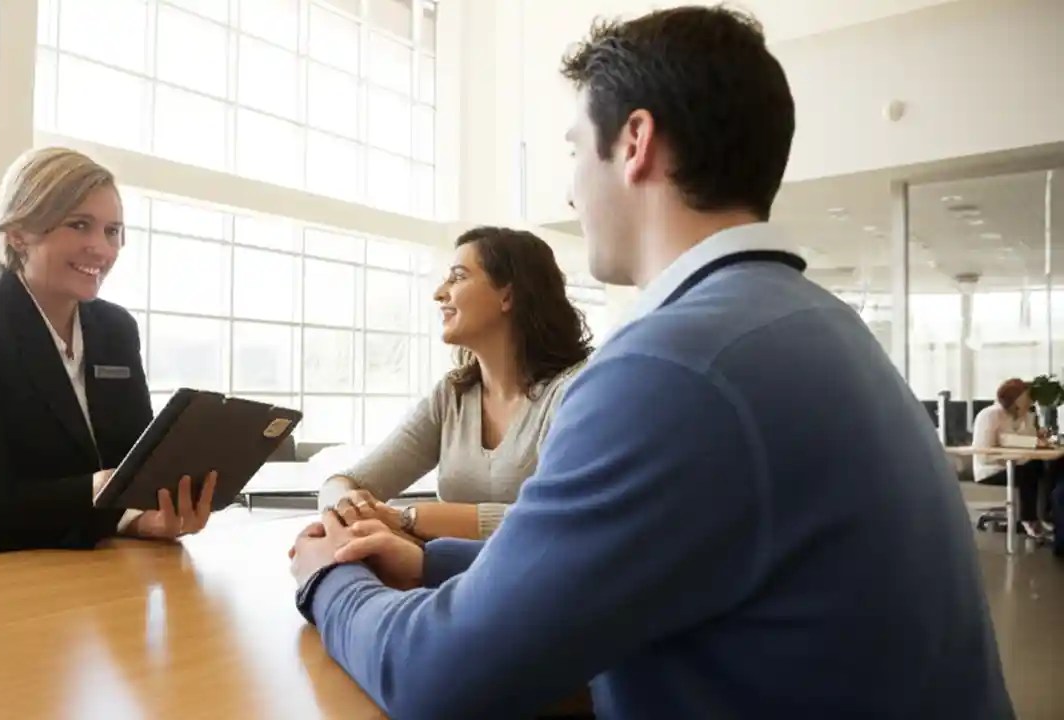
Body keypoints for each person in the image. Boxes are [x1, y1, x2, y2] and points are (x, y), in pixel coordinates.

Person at [289, 7, 1011, 719]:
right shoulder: (818, 324)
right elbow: (617, 561)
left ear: (634, 141)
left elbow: (437, 678)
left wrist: (328, 583)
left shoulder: (670, 368)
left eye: (575, 150)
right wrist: (427, 562)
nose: (571, 189)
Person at [0, 148, 214, 566]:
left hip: (67, 572)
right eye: (79, 225)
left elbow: (131, 467)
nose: (101, 248)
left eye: (112, 231)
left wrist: (144, 518)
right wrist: (99, 488)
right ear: (19, 232)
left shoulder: (115, 330)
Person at [318, 226, 592, 540]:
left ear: (508, 295)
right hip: (453, 576)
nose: (439, 293)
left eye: (458, 277)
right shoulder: (451, 396)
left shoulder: (574, 392)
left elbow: (558, 517)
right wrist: (343, 502)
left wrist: (407, 518)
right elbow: (349, 481)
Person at [972, 377, 1055, 539]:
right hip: (992, 469)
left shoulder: (1026, 416)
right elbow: (984, 454)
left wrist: (1034, 434)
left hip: (1020, 465)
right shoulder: (990, 415)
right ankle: (1029, 519)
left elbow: (1032, 444)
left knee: (1047, 467)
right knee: (1028, 471)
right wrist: (1019, 448)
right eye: (1026, 397)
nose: (1030, 401)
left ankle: (1047, 515)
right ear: (1015, 398)